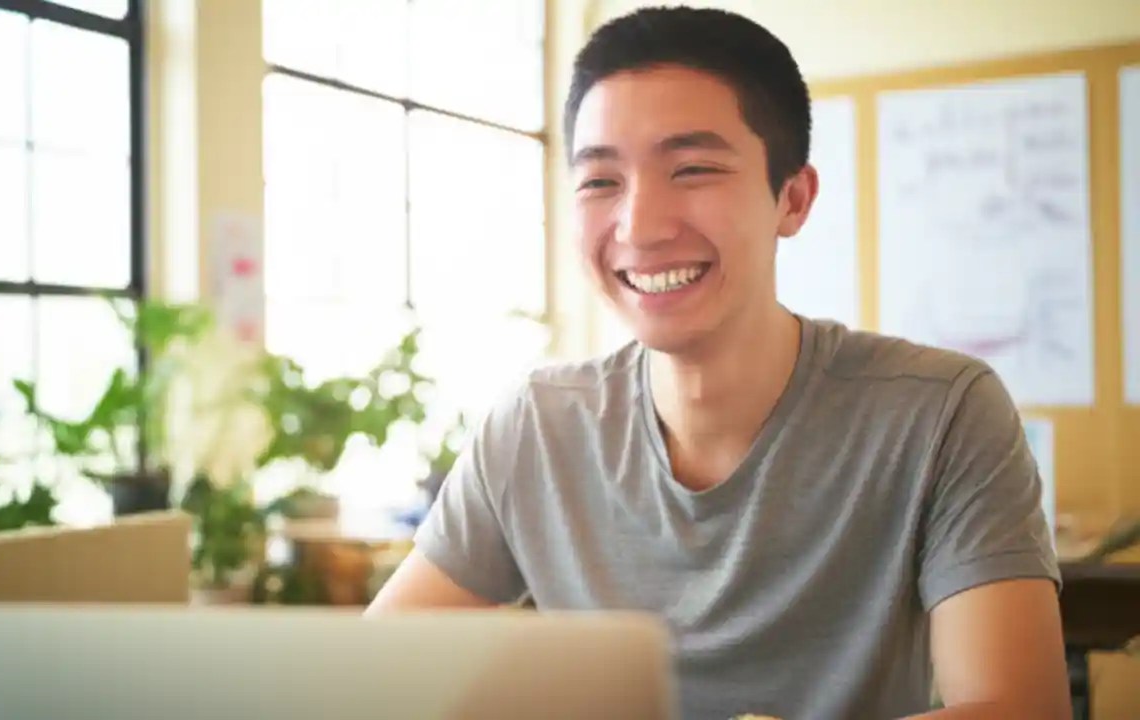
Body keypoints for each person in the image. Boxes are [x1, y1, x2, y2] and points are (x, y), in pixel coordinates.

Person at [367, 6, 1070, 719]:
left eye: (693, 169)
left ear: (791, 199)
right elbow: (377, 673)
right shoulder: (535, 426)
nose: (640, 226)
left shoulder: (939, 411)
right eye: (600, 181)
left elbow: (1019, 708)